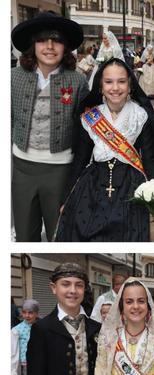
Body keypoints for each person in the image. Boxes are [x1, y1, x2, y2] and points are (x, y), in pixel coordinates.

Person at [54, 58, 154, 242]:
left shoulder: (140, 115)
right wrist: (65, 200)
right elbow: (80, 160)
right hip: (92, 186)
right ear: (101, 86)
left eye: (121, 82)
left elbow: (149, 161)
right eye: (109, 82)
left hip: (131, 187)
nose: (115, 88)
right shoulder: (91, 118)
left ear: (130, 86)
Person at [11, 12, 89, 242]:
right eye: (43, 40)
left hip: (60, 169)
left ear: (65, 48)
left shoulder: (78, 81)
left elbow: (83, 130)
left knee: (59, 233)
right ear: (32, 45)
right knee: (24, 234)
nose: (50, 46)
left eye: (57, 40)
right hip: (22, 167)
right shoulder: (12, 77)